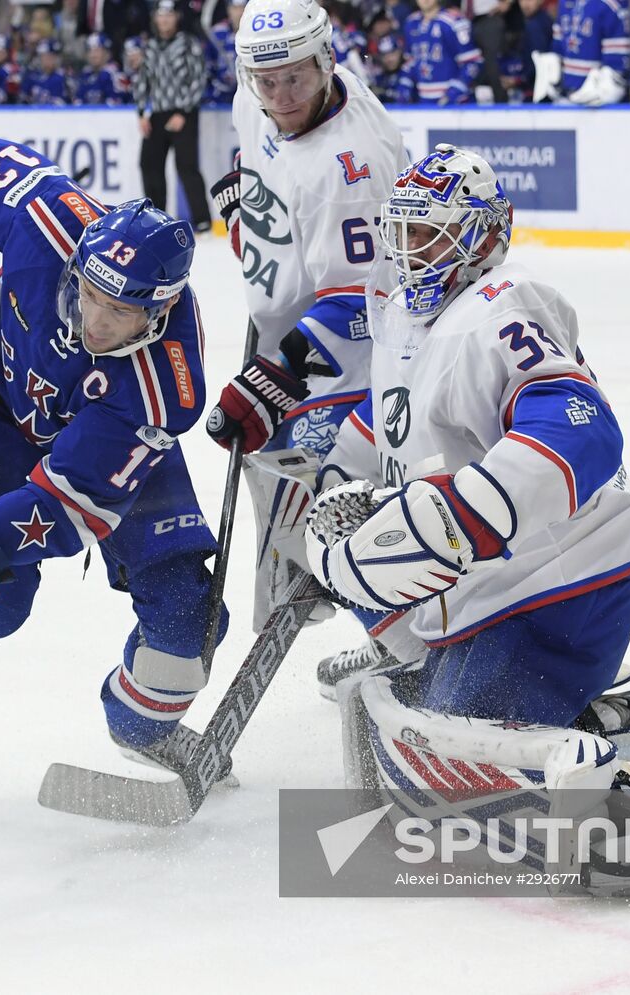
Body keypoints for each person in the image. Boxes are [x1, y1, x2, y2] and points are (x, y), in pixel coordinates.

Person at [0, 140, 228, 808]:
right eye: (89, 294)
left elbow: (65, 504)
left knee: (186, 611)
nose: (96, 321)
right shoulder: (47, 217)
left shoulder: (163, 388)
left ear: (160, 309)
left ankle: (142, 725)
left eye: (122, 312)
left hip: (92, 446)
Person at [302, 143, 630, 750]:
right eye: (402, 233)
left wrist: (464, 513)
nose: (408, 253)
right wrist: (341, 484)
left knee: (456, 744)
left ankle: (595, 719)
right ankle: (466, 673)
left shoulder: (502, 306)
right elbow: (392, 417)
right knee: (389, 622)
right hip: (483, 573)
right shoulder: (402, 312)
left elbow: (581, 428)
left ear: (483, 239)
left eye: (428, 235)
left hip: (560, 574)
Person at [202, 0, 405, 631]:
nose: (283, 96)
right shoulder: (257, 91)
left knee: (340, 507)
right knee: (281, 503)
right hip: (285, 324)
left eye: (297, 77)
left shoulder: (348, 170)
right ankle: (308, 581)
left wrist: (275, 376)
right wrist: (247, 204)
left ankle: (403, 649)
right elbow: (258, 152)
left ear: (327, 61)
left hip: (350, 357)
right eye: (268, 81)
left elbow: (360, 303)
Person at [134, 0, 212, 233]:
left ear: (176, 17)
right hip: (157, 112)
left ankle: (202, 220)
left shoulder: (189, 43)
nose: (165, 20)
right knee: (149, 163)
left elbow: (199, 78)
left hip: (184, 113)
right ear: (155, 18)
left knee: (187, 166)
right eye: (161, 15)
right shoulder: (150, 46)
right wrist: (142, 112)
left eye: (169, 15)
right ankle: (156, 219)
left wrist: (184, 111)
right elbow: (143, 80)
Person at [535, 0, 630, 105]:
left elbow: (618, 65)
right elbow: (558, 48)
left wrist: (607, 86)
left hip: (598, 104)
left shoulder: (610, 6)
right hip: (564, 98)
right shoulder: (565, 3)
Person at [401, 0, 483, 104]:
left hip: (456, 103)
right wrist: (404, 85)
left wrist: (455, 91)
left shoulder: (455, 22)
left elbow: (473, 62)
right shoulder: (411, 23)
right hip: (424, 100)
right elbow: (411, 61)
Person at [205, 0, 246, 105]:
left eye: (243, 8)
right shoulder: (217, 33)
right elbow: (208, 68)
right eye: (235, 8)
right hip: (220, 98)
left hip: (249, 96)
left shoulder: (256, 35)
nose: (239, 13)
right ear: (228, 10)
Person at [73, 32, 130, 104]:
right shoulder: (85, 74)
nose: (93, 55)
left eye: (97, 50)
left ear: (107, 53)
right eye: (90, 51)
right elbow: (78, 101)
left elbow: (117, 104)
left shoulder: (116, 75)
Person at [20, 37, 70, 104]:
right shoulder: (31, 76)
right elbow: (23, 102)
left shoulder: (63, 78)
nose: (48, 60)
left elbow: (68, 104)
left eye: (51, 57)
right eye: (45, 56)